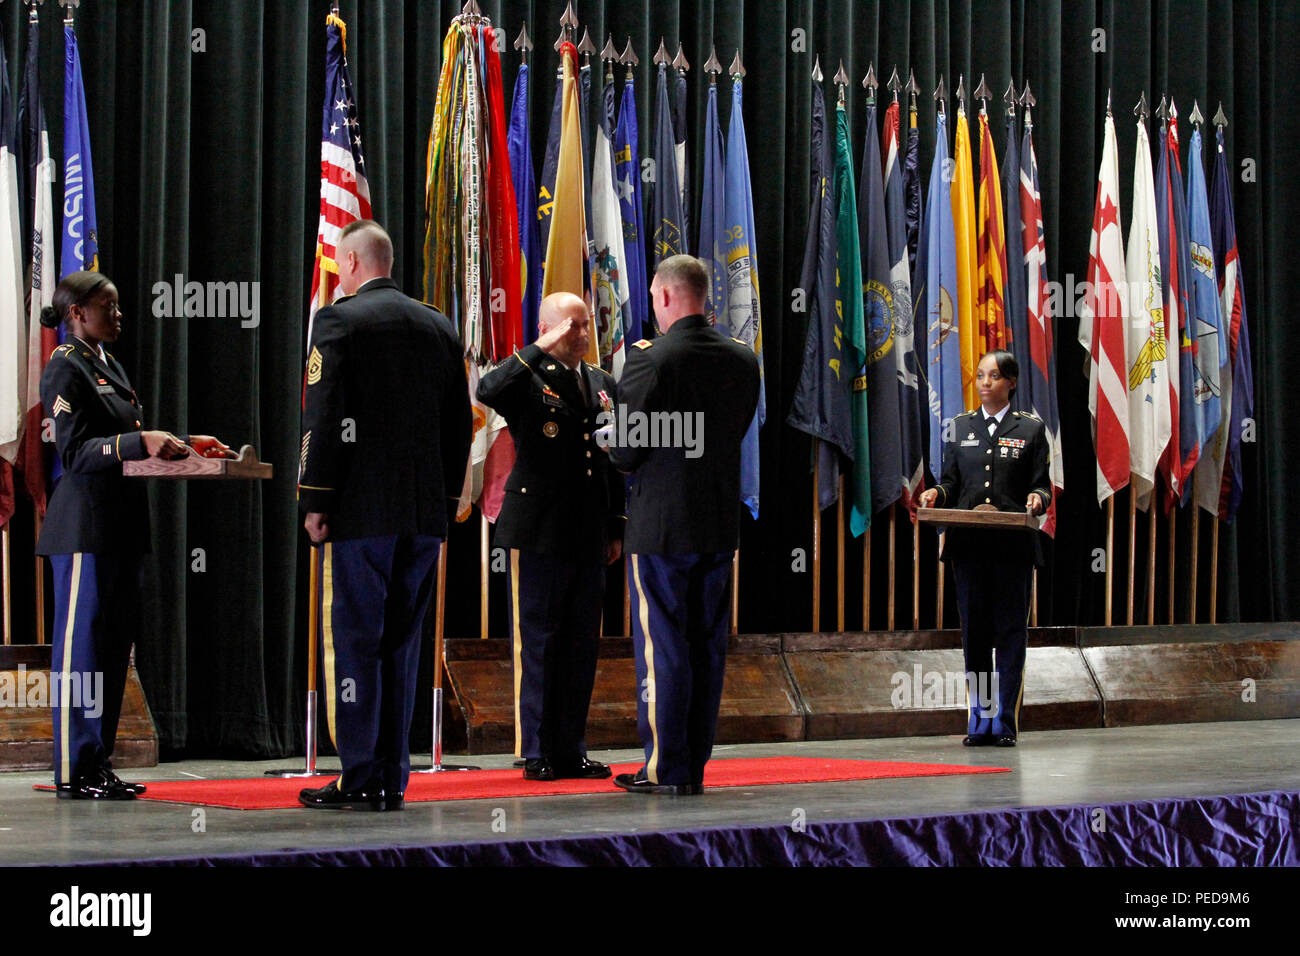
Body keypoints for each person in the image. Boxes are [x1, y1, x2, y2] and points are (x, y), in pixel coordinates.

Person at [297, 219, 471, 810]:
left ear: (348, 264)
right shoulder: (438, 326)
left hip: (361, 511)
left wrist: (314, 497)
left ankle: (359, 774)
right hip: (423, 513)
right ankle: (392, 777)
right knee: (402, 643)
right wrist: (447, 501)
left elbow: (322, 415)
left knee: (356, 641)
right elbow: (458, 425)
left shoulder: (339, 320)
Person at [37, 270, 230, 800]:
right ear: (77, 313)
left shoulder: (110, 365)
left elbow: (126, 438)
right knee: (81, 653)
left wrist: (185, 442)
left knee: (112, 651)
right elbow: (77, 453)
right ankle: (73, 770)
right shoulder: (64, 368)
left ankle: (97, 764)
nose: (119, 315)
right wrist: (140, 439)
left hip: (120, 529)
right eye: (109, 306)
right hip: (84, 531)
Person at [606, 255, 760, 795]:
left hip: (662, 528)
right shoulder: (744, 360)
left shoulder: (651, 361)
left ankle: (664, 768)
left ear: (667, 296)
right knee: (706, 647)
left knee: (663, 647)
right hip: (717, 522)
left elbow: (625, 452)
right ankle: (692, 765)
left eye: (652, 297)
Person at [477, 292, 624, 781]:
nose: (582, 335)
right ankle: (537, 749)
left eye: (585, 326)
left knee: (581, 643)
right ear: (548, 328)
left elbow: (610, 459)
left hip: (587, 528)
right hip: (539, 528)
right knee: (539, 640)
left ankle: (571, 747)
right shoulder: (527, 377)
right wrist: (539, 346)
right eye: (571, 327)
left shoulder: (602, 383)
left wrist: (616, 526)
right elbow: (488, 389)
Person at [918, 350, 1051, 747]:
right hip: (970, 548)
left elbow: (1041, 485)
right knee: (975, 635)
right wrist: (934, 493)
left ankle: (1005, 722)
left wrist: (1037, 500)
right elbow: (950, 483)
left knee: (1011, 634)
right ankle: (981, 717)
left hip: (1012, 547)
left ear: (1010, 382)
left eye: (993, 376)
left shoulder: (1029, 429)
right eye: (979, 376)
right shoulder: (961, 426)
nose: (984, 383)